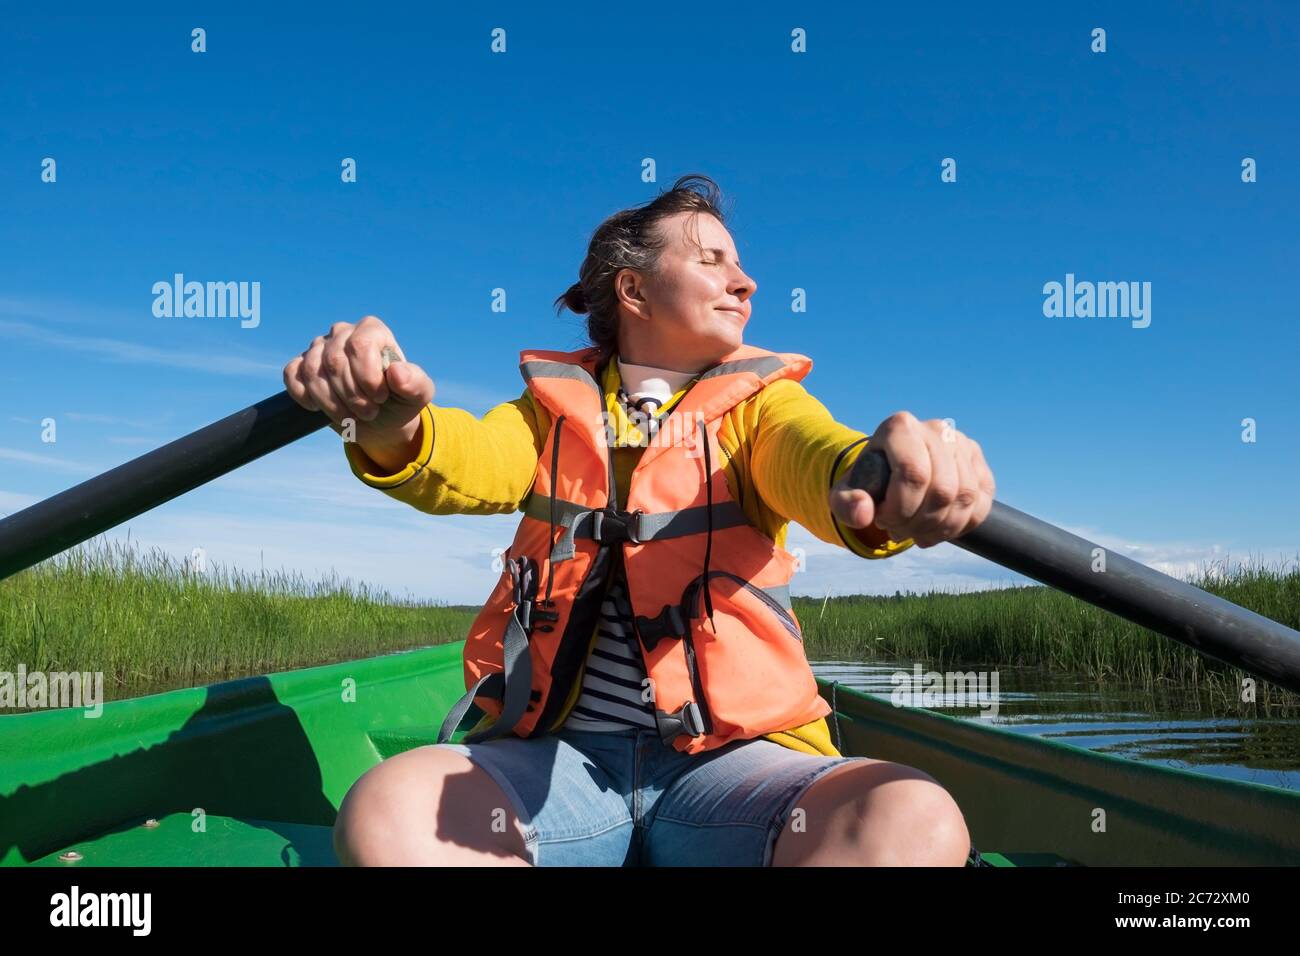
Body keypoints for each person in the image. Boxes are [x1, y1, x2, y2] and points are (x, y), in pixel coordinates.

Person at [283, 174, 996, 866]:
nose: (745, 285)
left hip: (732, 771)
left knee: (913, 817)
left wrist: (879, 471)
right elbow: (473, 459)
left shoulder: (762, 408)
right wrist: (392, 429)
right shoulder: (549, 411)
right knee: (389, 810)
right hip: (557, 766)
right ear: (634, 290)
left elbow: (815, 460)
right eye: (712, 262)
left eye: (741, 267)